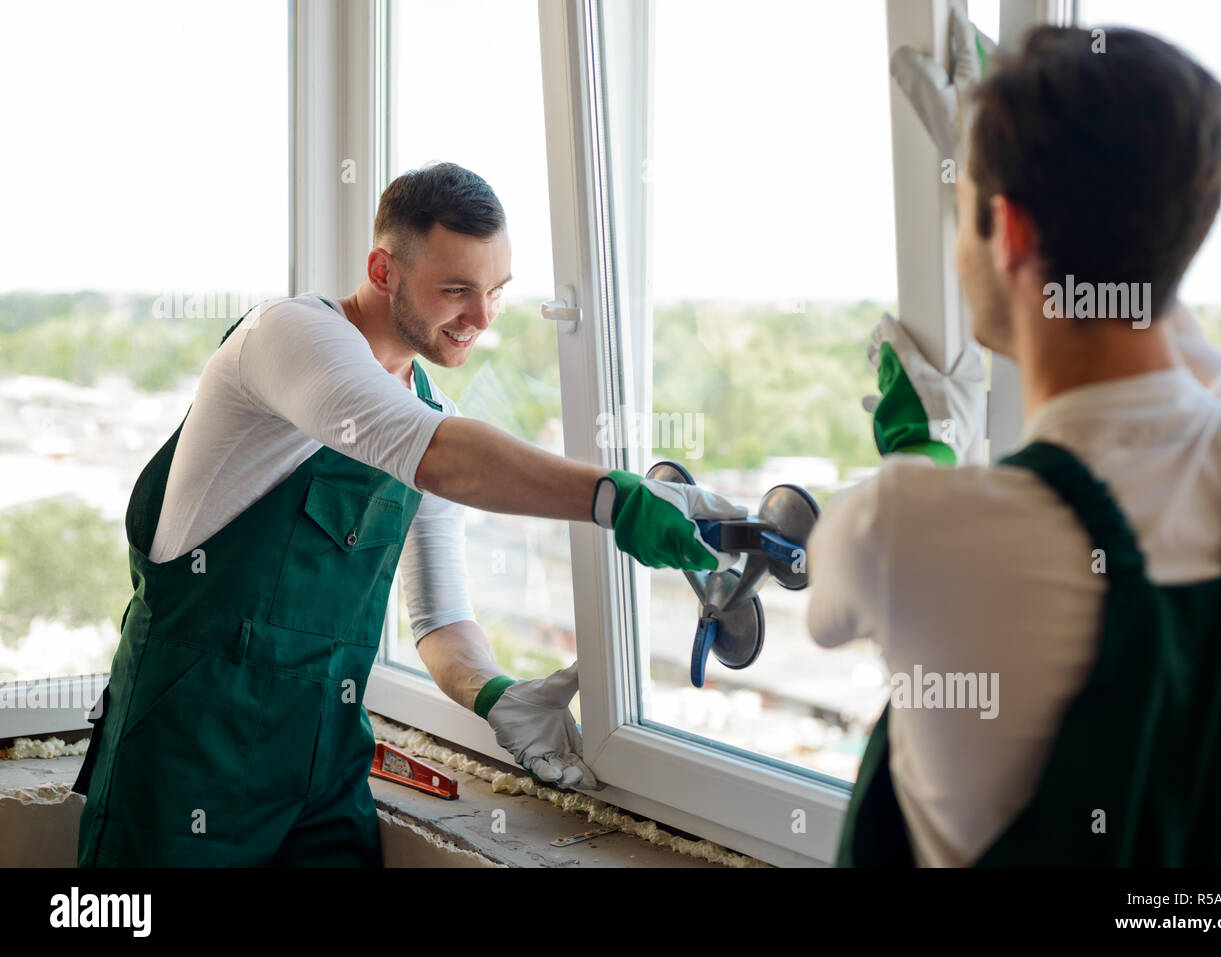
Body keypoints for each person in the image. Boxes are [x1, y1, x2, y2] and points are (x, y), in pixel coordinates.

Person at [75, 161, 744, 867]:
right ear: (383, 269)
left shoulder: (434, 415)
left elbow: (440, 619)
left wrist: (495, 694)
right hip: (186, 761)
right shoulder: (288, 338)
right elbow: (432, 452)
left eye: (495, 292)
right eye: (456, 290)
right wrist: (615, 496)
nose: (482, 319)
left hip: (323, 772)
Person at [809, 10, 1221, 866]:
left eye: (967, 215)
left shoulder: (899, 524)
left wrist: (921, 450)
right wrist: (1104, 189)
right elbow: (1185, 337)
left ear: (1014, 233)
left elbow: (824, 612)